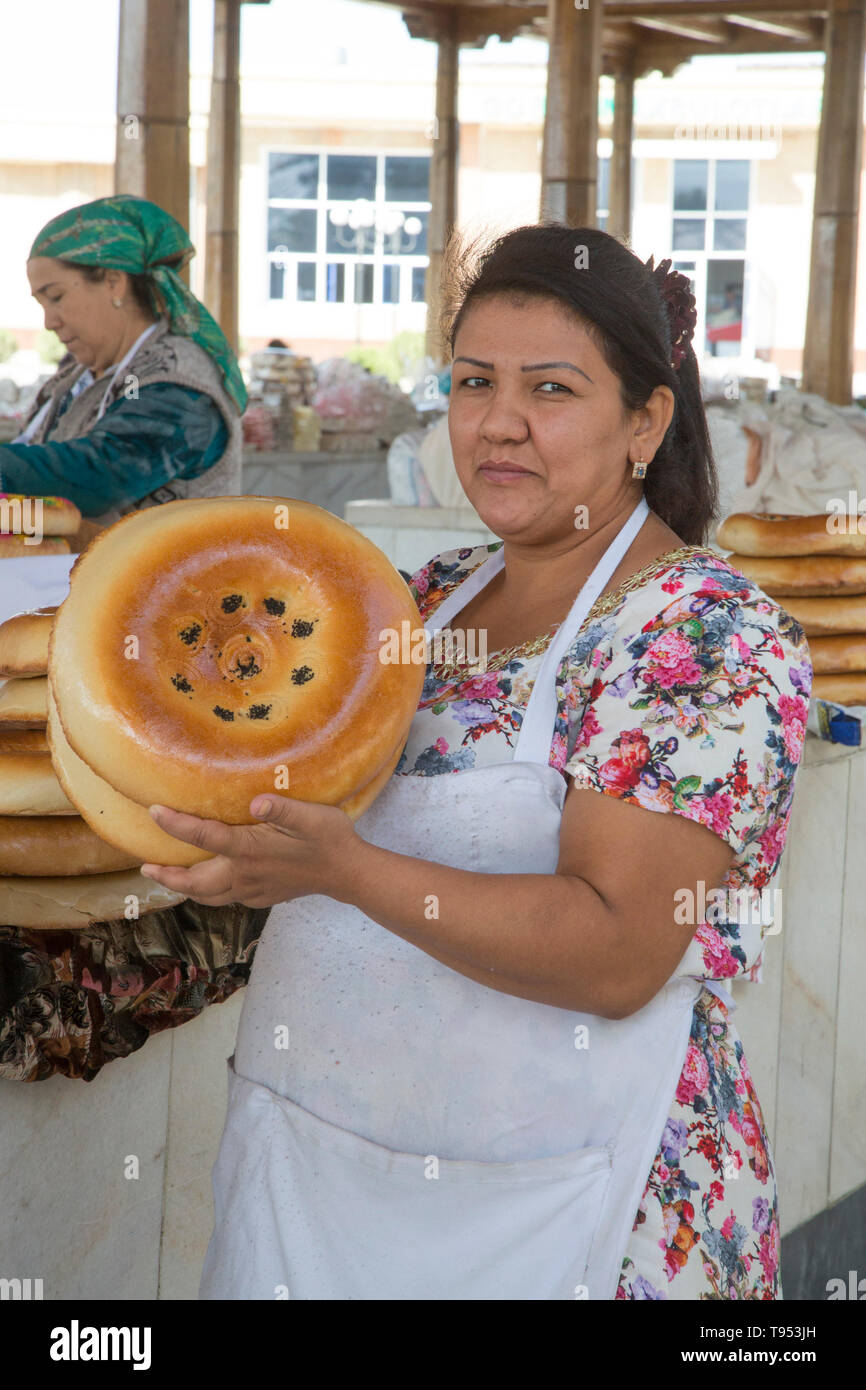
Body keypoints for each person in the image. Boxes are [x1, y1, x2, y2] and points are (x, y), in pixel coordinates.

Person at [140, 224, 811, 1300]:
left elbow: (615, 951)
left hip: (580, 1202)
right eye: (472, 382)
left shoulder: (701, 632)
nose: (498, 422)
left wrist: (341, 871)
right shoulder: (412, 600)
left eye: (551, 389)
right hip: (326, 1184)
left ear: (645, 421)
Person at [0, 194, 247, 523]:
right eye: (42, 304)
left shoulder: (178, 384)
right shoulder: (77, 377)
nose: (49, 322)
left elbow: (102, 474)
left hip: (170, 560)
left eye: (56, 297)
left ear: (114, 283)